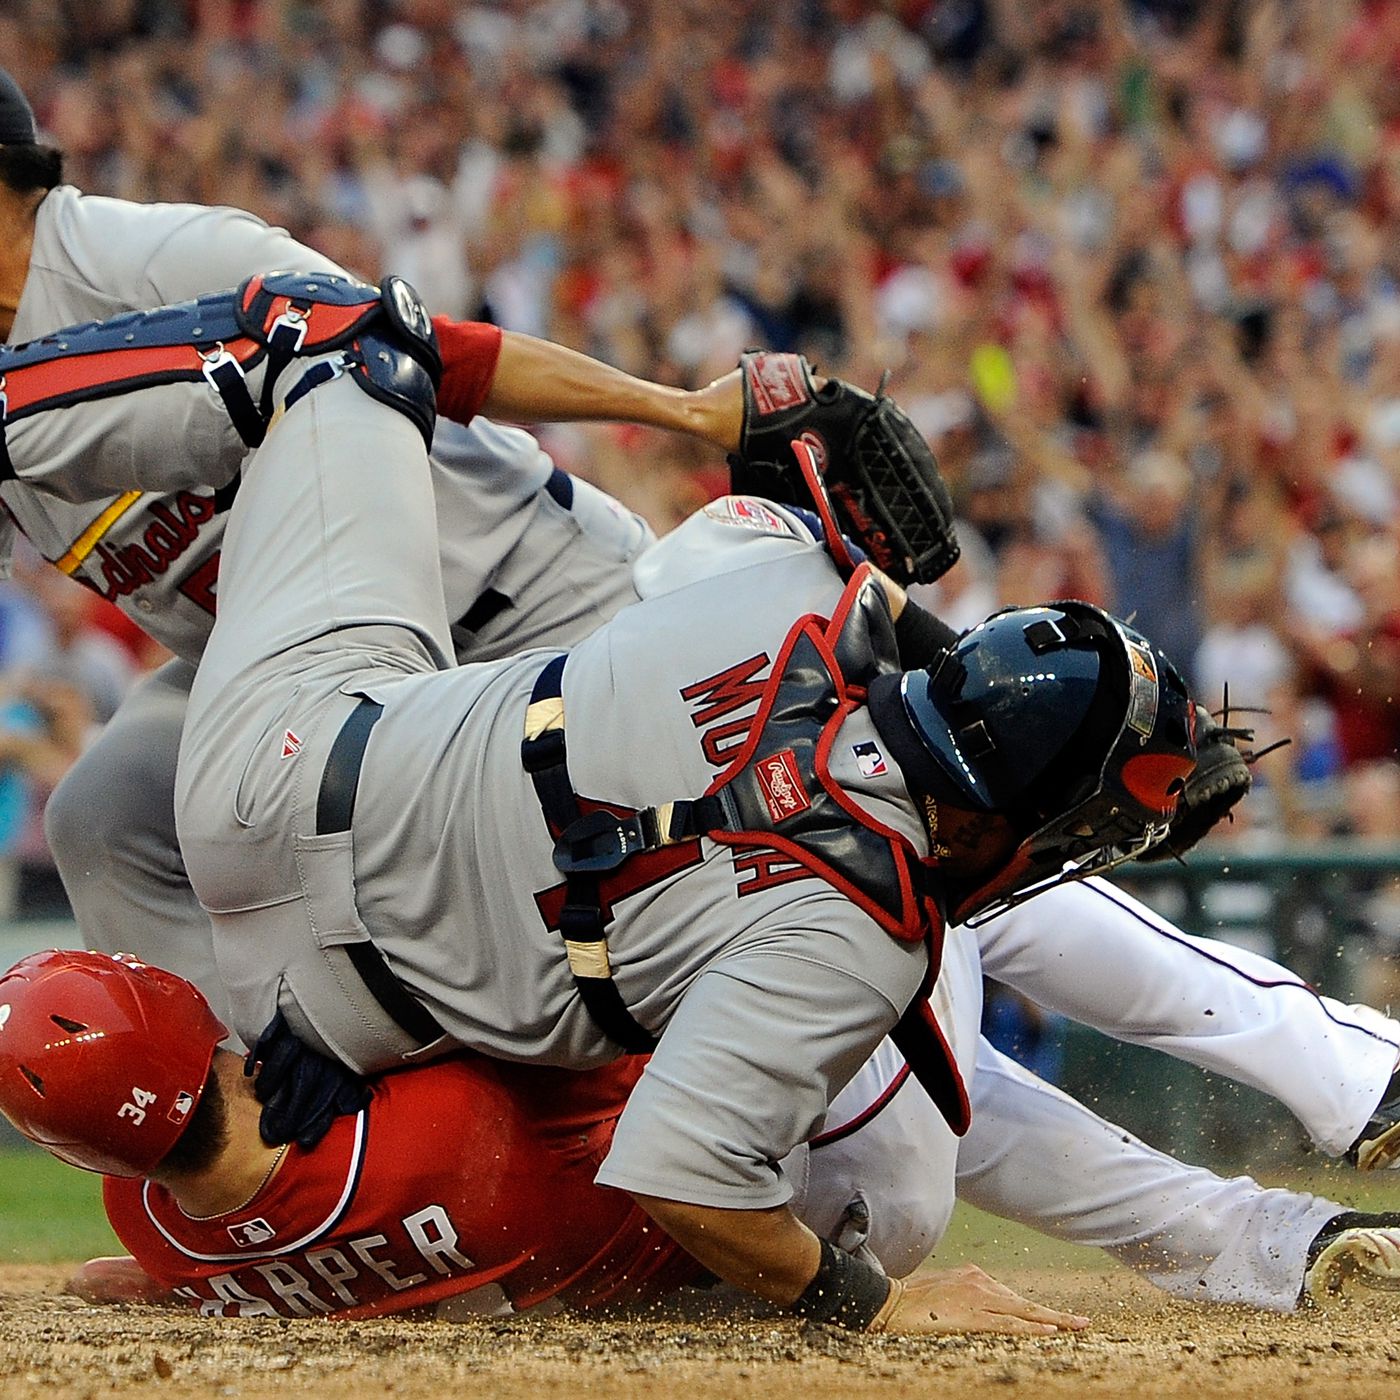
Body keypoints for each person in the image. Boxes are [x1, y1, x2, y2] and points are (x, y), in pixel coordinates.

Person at [1, 950, 1394, 1323]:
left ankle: (1262, 1235)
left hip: (741, 1225)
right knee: (944, 889)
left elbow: (123, 1275)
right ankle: (1354, 1080)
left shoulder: (172, 1237)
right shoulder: (433, 1111)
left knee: (937, 1049)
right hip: (790, 1218)